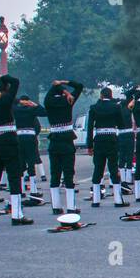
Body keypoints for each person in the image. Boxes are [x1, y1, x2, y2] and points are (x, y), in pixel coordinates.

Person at [0, 74, 33, 225]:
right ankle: (16, 215)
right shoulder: (6, 98)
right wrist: (2, 76)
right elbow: (16, 80)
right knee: (14, 177)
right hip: (9, 138)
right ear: (5, 87)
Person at [43, 78, 83, 213]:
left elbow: (51, 91)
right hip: (67, 140)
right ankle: (71, 207)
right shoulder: (68, 100)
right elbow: (79, 86)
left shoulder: (48, 102)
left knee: (55, 174)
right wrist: (64, 83)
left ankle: (56, 207)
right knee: (68, 174)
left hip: (54, 140)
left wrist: (56, 86)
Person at [85, 86, 127, 208]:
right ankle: (118, 200)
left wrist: (89, 145)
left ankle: (96, 200)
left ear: (101, 96)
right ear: (111, 95)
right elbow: (121, 125)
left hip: (98, 139)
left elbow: (89, 128)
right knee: (113, 168)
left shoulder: (94, 108)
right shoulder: (116, 107)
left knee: (98, 168)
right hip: (112, 139)